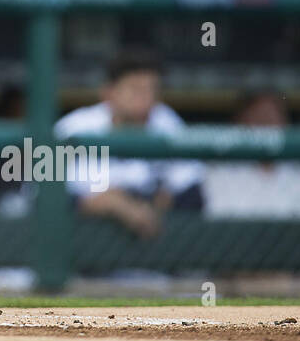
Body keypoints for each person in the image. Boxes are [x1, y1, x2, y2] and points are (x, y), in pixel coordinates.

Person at [55, 48, 204, 238]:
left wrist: (154, 205)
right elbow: (37, 195)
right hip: (81, 248)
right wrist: (110, 205)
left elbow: (193, 194)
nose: (146, 99)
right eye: (135, 90)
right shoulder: (72, 127)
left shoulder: (167, 122)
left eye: (152, 90)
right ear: (108, 93)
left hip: (149, 250)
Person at [201, 91, 300, 219]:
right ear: (240, 122)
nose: (268, 125)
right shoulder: (220, 173)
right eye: (260, 118)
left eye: (273, 119)